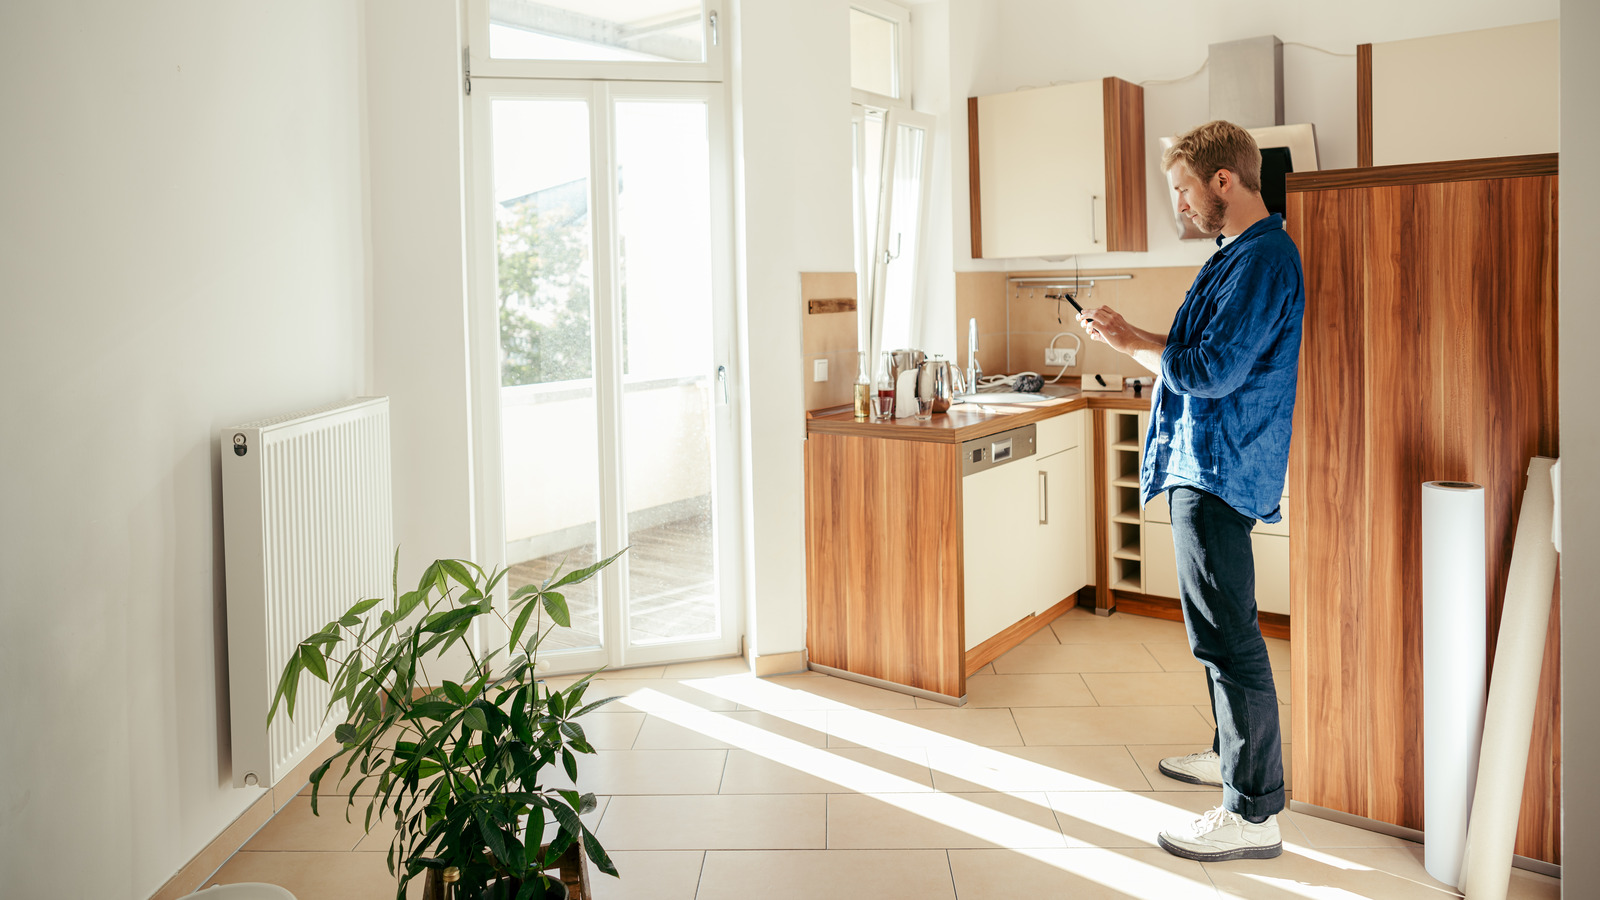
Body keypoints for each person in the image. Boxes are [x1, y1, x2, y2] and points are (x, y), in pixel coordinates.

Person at [1076, 119, 1305, 862]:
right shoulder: (1235, 255)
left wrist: (1137, 341)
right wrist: (1131, 337)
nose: (1178, 205)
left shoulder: (1263, 258)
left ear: (1223, 182)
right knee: (1216, 632)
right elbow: (1192, 360)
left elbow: (1210, 372)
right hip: (1204, 462)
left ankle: (1252, 810)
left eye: (1182, 190)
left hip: (1219, 467)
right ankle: (1228, 754)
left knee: (1229, 636)